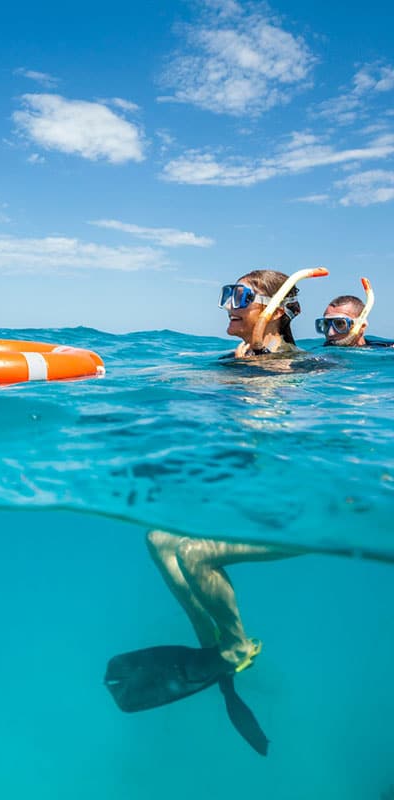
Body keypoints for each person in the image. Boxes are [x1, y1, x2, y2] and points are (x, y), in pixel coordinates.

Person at [105, 270, 307, 757]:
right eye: (226, 295)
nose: (227, 307)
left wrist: (262, 363)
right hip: (254, 503)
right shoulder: (236, 361)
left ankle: (238, 646)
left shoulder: (301, 365)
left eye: (239, 297)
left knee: (194, 552)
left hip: (295, 510)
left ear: (274, 308)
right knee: (158, 538)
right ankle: (216, 651)